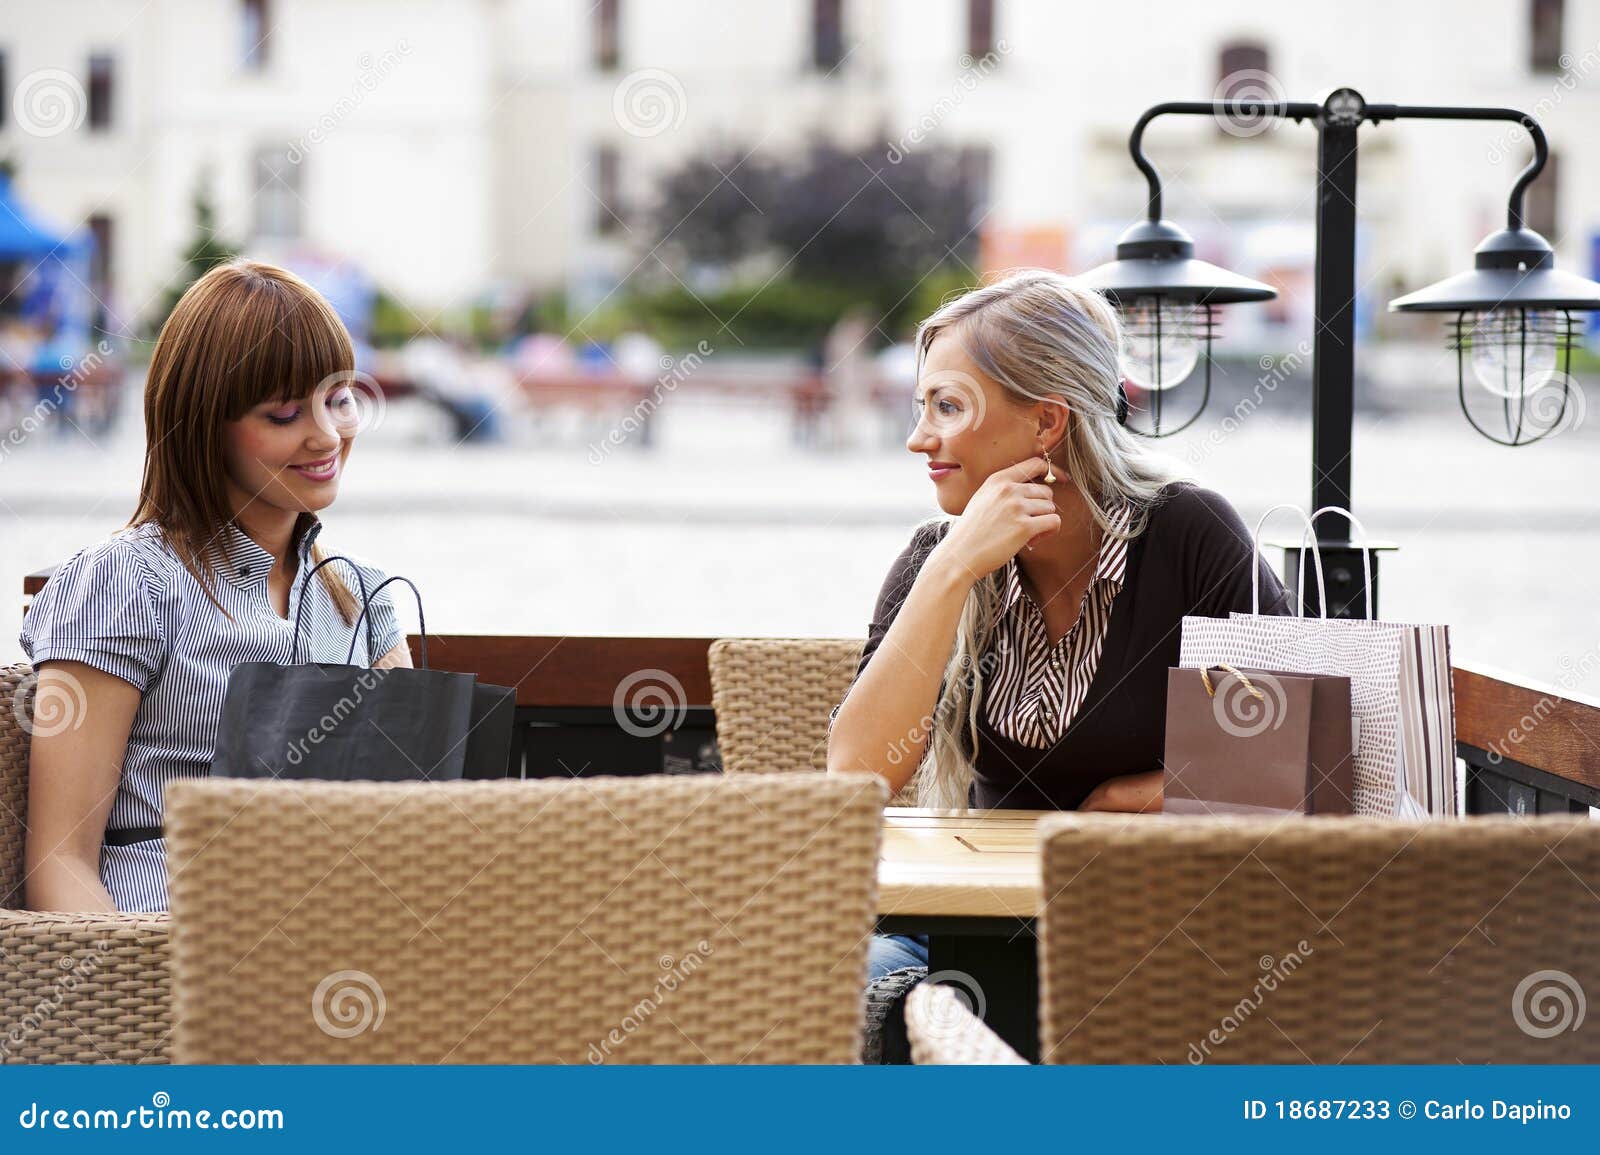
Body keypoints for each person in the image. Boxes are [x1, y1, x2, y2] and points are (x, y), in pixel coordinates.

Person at [825, 270, 1292, 979]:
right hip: (969, 932)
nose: (920, 439)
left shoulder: (1189, 534)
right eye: (922, 407)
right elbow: (855, 775)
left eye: (947, 407)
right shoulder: (938, 558)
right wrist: (952, 572)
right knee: (841, 986)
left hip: (1160, 931)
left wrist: (1145, 794)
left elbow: (1286, 756)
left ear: (1047, 421)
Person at [19, 259, 410, 914]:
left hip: (342, 960)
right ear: (205, 427)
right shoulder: (127, 582)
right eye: (284, 412)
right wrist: (137, 990)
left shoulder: (364, 595)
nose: (325, 434)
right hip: (170, 955)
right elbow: (60, 864)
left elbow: (417, 819)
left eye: (338, 399)